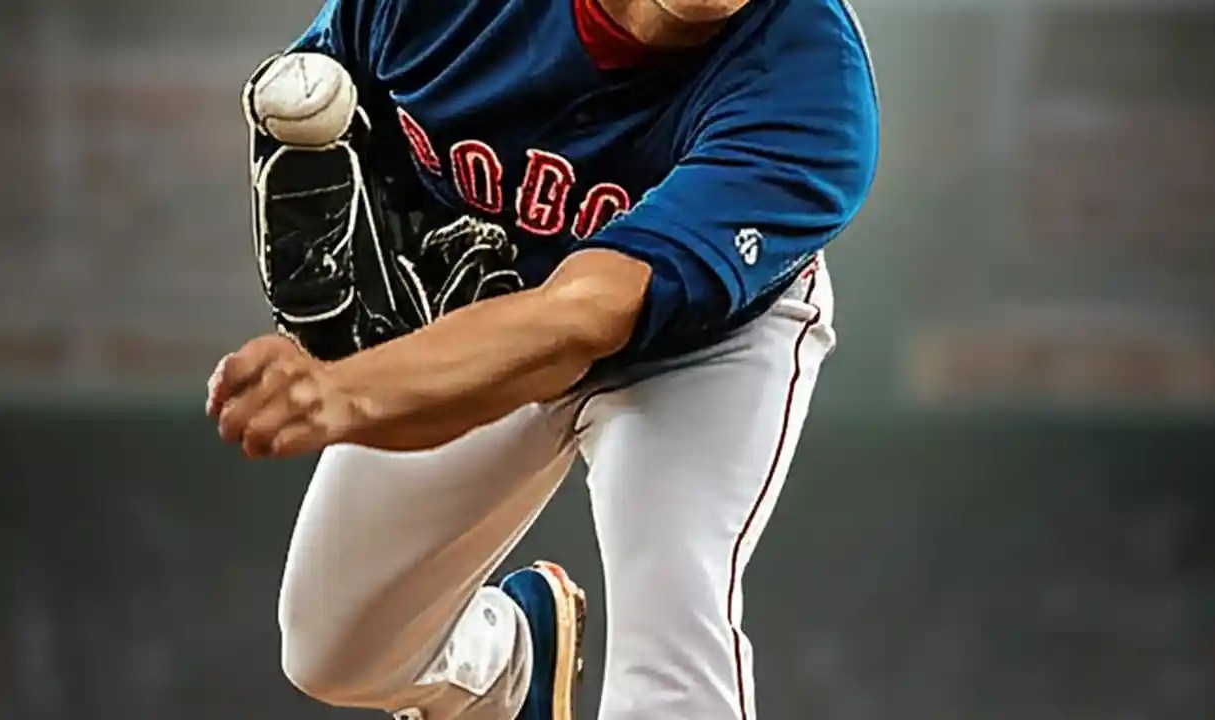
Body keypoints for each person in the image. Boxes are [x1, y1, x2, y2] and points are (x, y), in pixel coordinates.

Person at [205, 0, 878, 718]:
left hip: (702, 346)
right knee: (334, 651)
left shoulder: (813, 86)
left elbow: (586, 318)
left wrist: (352, 390)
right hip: (482, 302)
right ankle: (513, 671)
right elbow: (319, 104)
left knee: (673, 654)